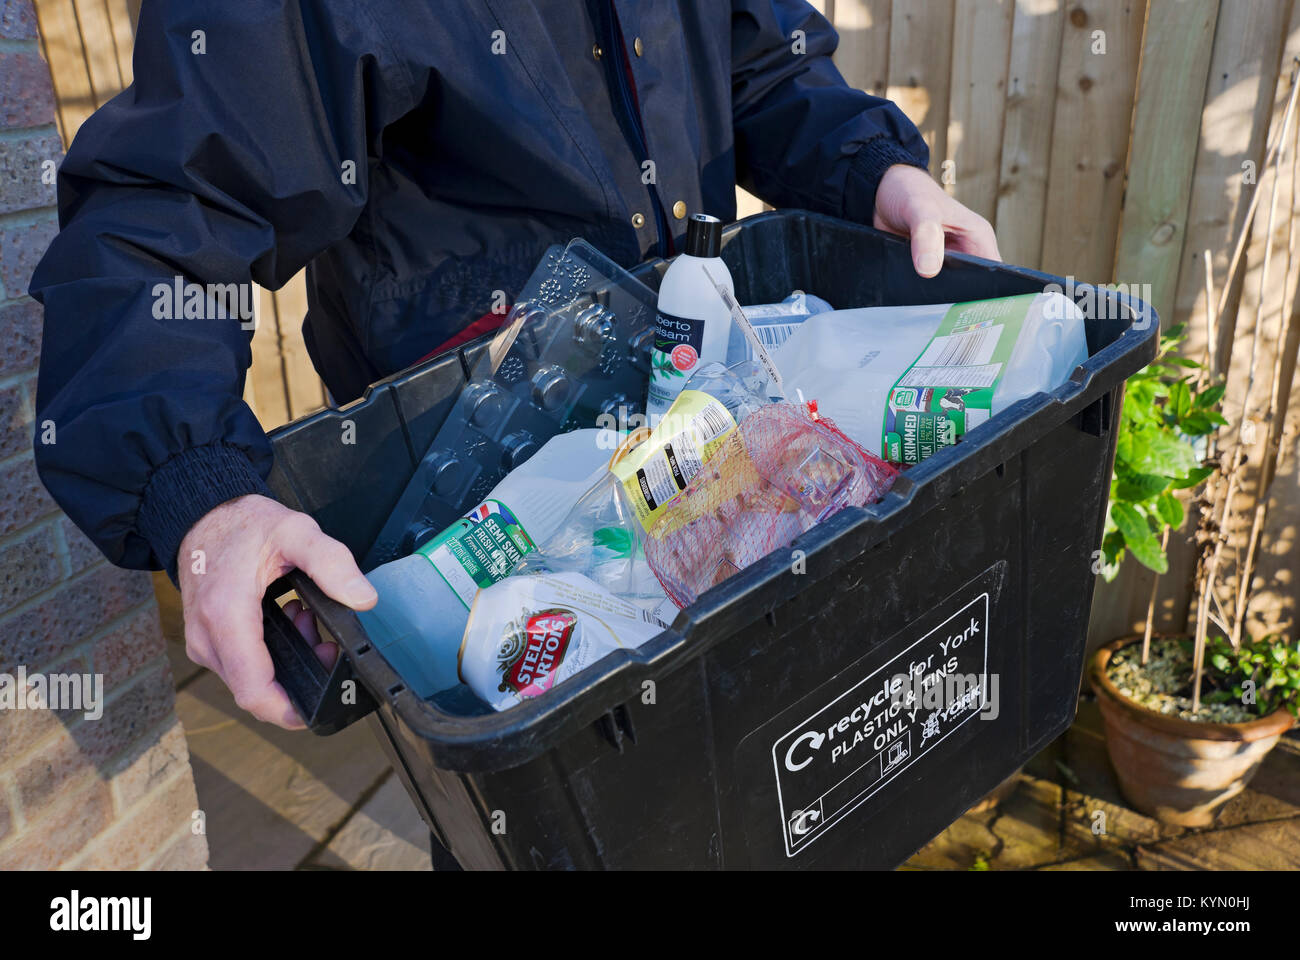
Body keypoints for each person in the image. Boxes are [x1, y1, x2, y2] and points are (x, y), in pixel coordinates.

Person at [30, 0, 999, 729]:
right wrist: (195, 484)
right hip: (479, 486)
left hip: (692, 422)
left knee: (739, 751)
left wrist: (871, 168)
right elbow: (172, 208)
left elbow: (757, 63)